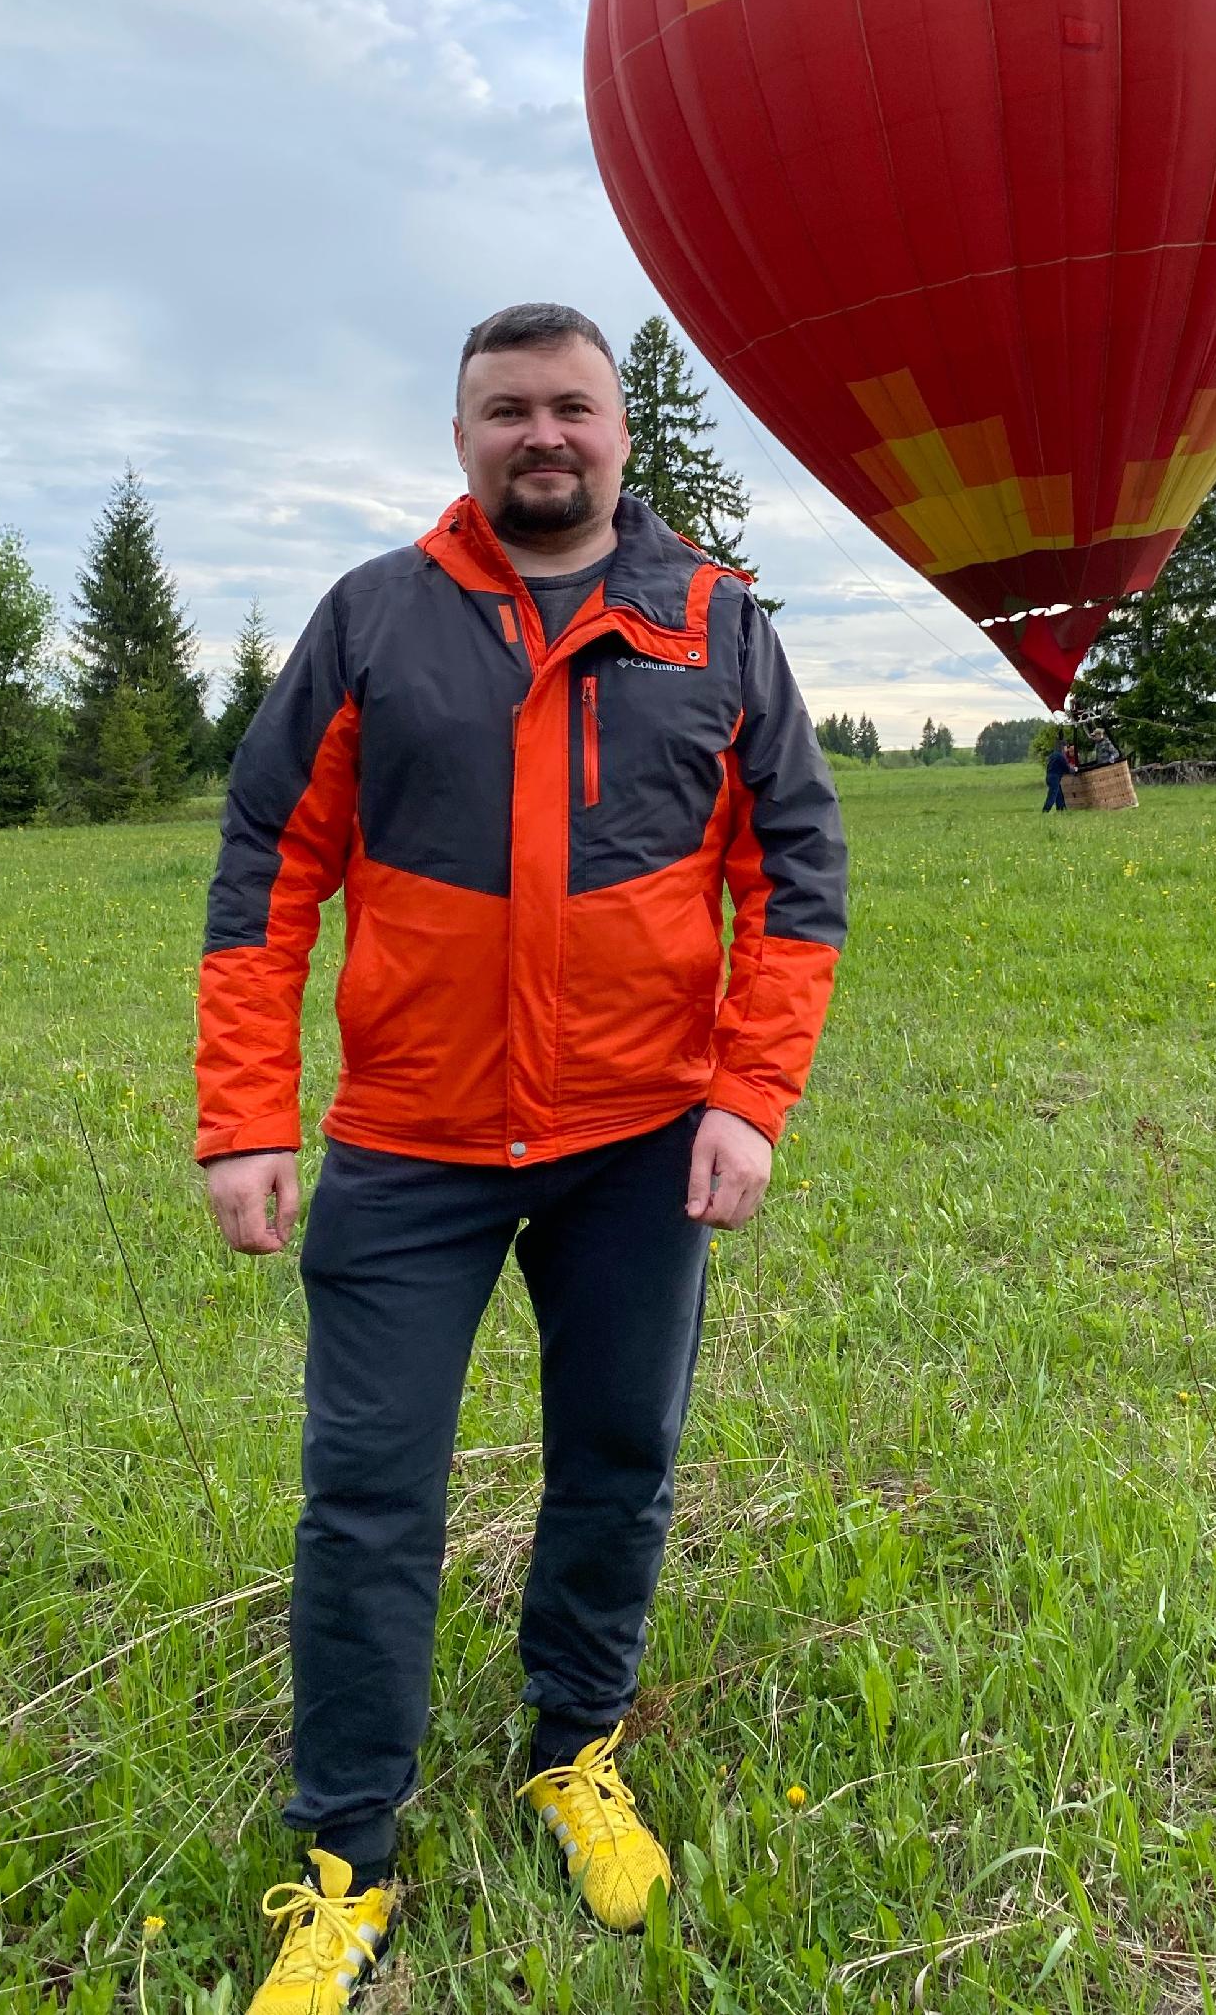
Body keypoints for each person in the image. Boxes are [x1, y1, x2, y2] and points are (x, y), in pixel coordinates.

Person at [196, 303, 847, 2009]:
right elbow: (267, 866)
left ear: (621, 435)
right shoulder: (372, 619)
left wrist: (748, 1097)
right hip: (408, 1145)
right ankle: (346, 1857)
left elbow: (793, 874)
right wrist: (246, 1115)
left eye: (572, 406)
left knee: (618, 1460)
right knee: (367, 1496)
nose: (541, 434)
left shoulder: (715, 623)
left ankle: (576, 1751)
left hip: (638, 1142)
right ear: (461, 437)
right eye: (506, 410)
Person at [1041, 737, 1077, 811]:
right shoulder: (1061, 756)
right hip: (1055, 778)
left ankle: (1061, 809)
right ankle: (1045, 810)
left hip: (1049, 776)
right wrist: (1074, 770)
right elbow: (1066, 769)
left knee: (1059, 794)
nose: (1067, 749)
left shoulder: (1053, 755)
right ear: (1063, 747)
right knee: (1052, 796)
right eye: (1066, 746)